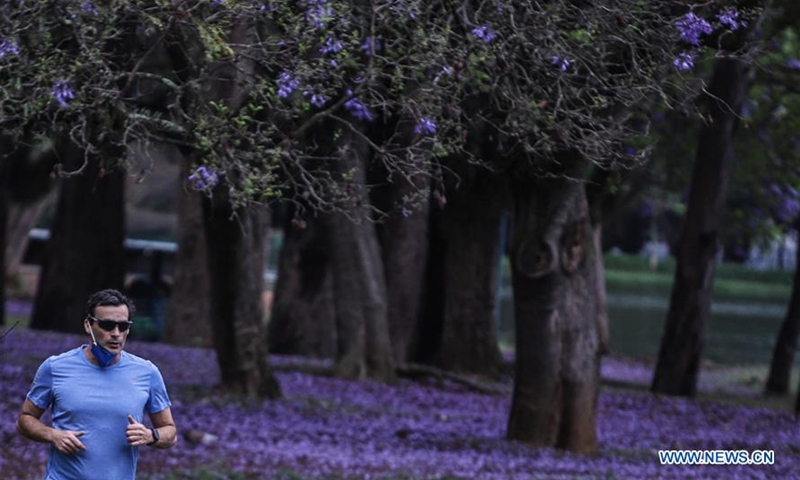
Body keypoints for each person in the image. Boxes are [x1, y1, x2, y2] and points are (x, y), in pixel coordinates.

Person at [16, 288, 177, 480]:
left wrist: (151, 436)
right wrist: (53, 435)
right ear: (88, 325)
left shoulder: (147, 372)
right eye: (107, 325)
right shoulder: (55, 367)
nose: (116, 334)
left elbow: (170, 433)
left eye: (123, 326)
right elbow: (25, 420)